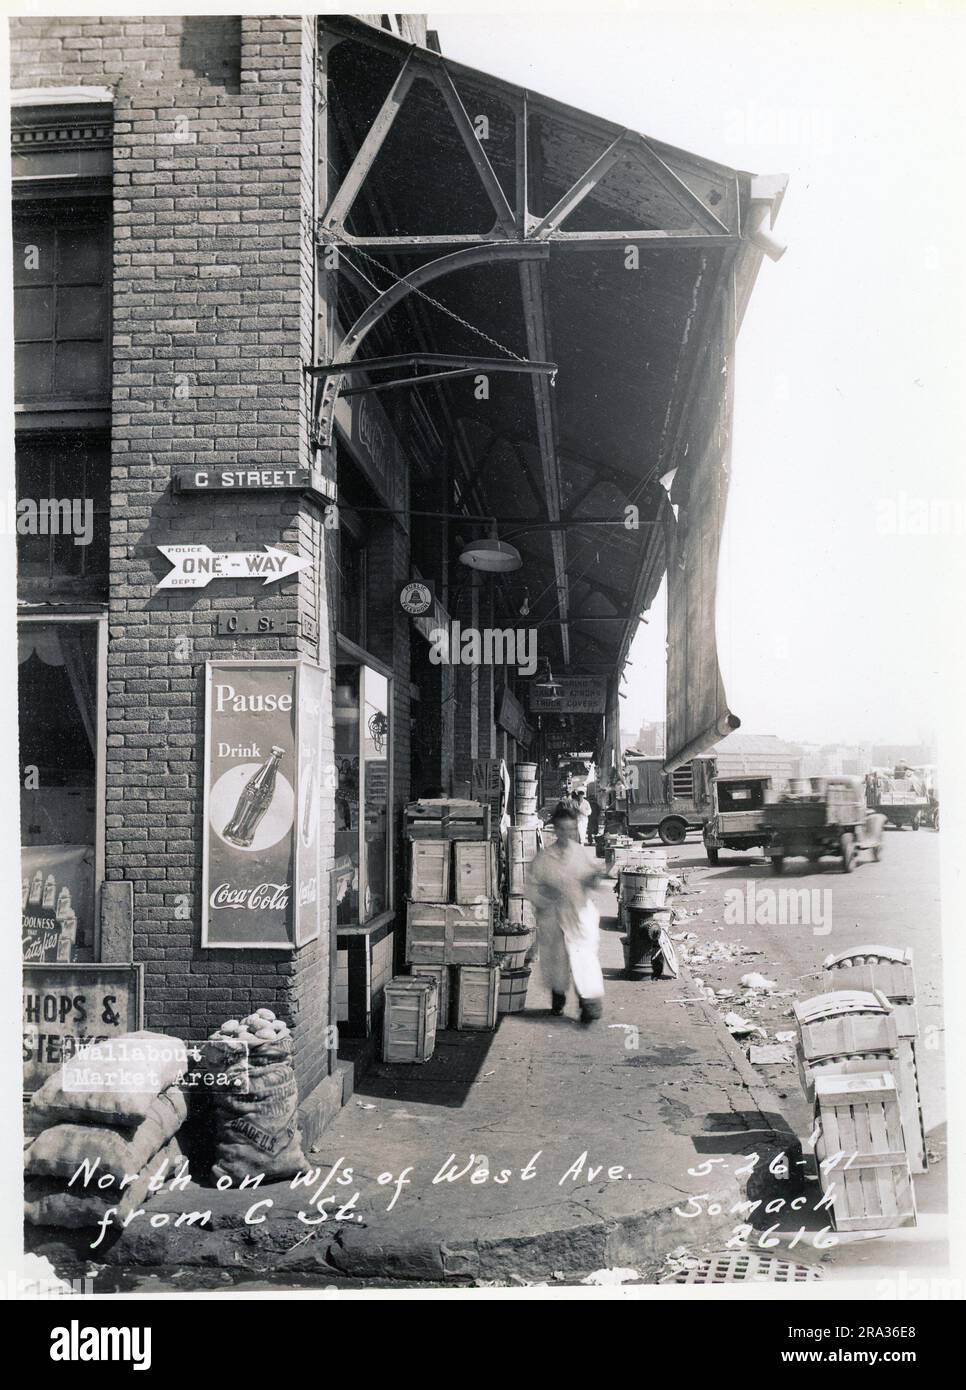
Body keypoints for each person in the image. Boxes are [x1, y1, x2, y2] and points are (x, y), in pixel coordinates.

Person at [524, 801, 607, 1024]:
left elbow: (591, 881)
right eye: (562, 829)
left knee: (583, 960)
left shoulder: (580, 853)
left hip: (578, 915)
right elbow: (530, 886)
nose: (566, 833)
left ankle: (588, 1006)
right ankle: (558, 1001)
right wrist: (543, 896)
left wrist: (595, 877)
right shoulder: (544, 857)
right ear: (555, 830)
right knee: (557, 962)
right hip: (553, 916)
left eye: (570, 829)